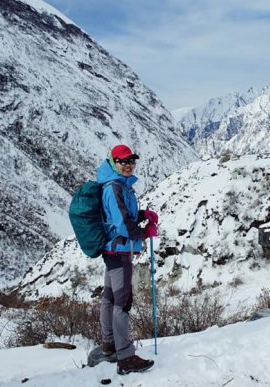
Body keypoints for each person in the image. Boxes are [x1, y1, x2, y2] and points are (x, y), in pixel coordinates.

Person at [96, 143, 158, 375]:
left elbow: (122, 215)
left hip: (114, 250)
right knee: (123, 302)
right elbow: (122, 225)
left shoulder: (118, 185)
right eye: (124, 161)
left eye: (132, 161)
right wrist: (145, 233)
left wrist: (142, 215)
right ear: (114, 163)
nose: (129, 165)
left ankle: (110, 344)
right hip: (119, 251)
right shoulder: (115, 188)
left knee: (110, 298)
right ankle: (125, 357)